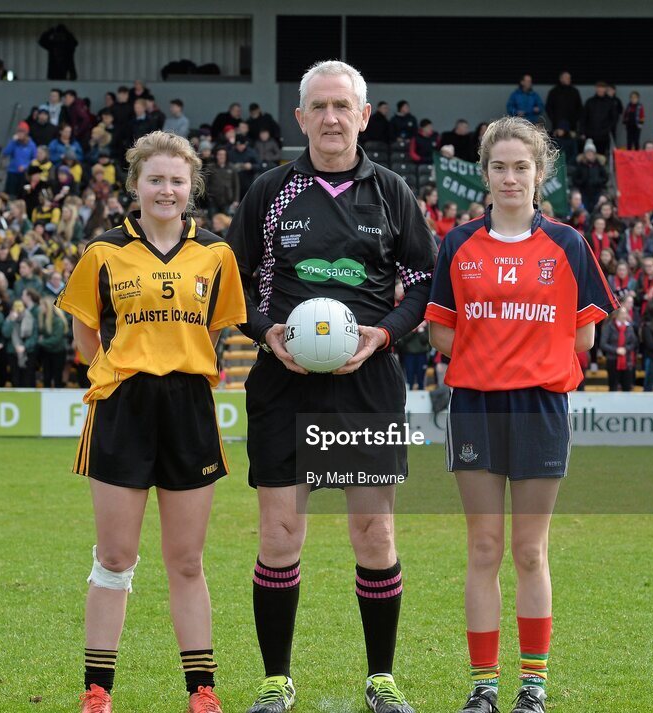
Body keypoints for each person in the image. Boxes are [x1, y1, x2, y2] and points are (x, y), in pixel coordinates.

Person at [227, 60, 436, 713]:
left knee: (374, 533)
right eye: (318, 106)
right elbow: (229, 282)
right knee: (280, 535)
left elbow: (427, 284)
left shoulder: (393, 192)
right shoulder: (269, 190)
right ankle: (274, 680)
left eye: (342, 106)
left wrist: (384, 334)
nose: (331, 117)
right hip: (283, 387)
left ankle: (381, 679)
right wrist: (267, 335)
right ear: (300, 117)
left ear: (364, 115)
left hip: (367, 385)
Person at [425, 116, 616, 713]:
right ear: (484, 175)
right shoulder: (458, 244)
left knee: (531, 551)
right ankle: (483, 686)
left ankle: (532, 686)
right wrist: (496, 356)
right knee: (483, 548)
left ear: (541, 175)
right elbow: (439, 332)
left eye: (522, 167)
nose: (511, 178)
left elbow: (584, 340)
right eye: (500, 168)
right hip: (477, 405)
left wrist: (519, 354)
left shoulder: (568, 245)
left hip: (540, 407)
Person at [56, 130, 246, 713]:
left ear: (192, 190)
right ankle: (97, 690)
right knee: (114, 558)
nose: (167, 190)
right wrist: (116, 371)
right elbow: (84, 332)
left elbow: (217, 326)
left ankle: (201, 691)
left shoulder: (216, 254)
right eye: (156, 179)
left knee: (187, 561)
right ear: (134, 185)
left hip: (188, 408)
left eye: (178, 181)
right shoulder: (103, 253)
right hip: (122, 409)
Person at [600, 307, 638, 391]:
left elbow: (633, 342)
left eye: (625, 313)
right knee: (613, 386)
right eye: (622, 313)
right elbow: (603, 344)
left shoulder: (629, 327)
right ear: (617, 315)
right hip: (612, 360)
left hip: (626, 360)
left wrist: (626, 349)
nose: (625, 315)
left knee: (627, 387)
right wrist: (616, 350)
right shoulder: (609, 326)